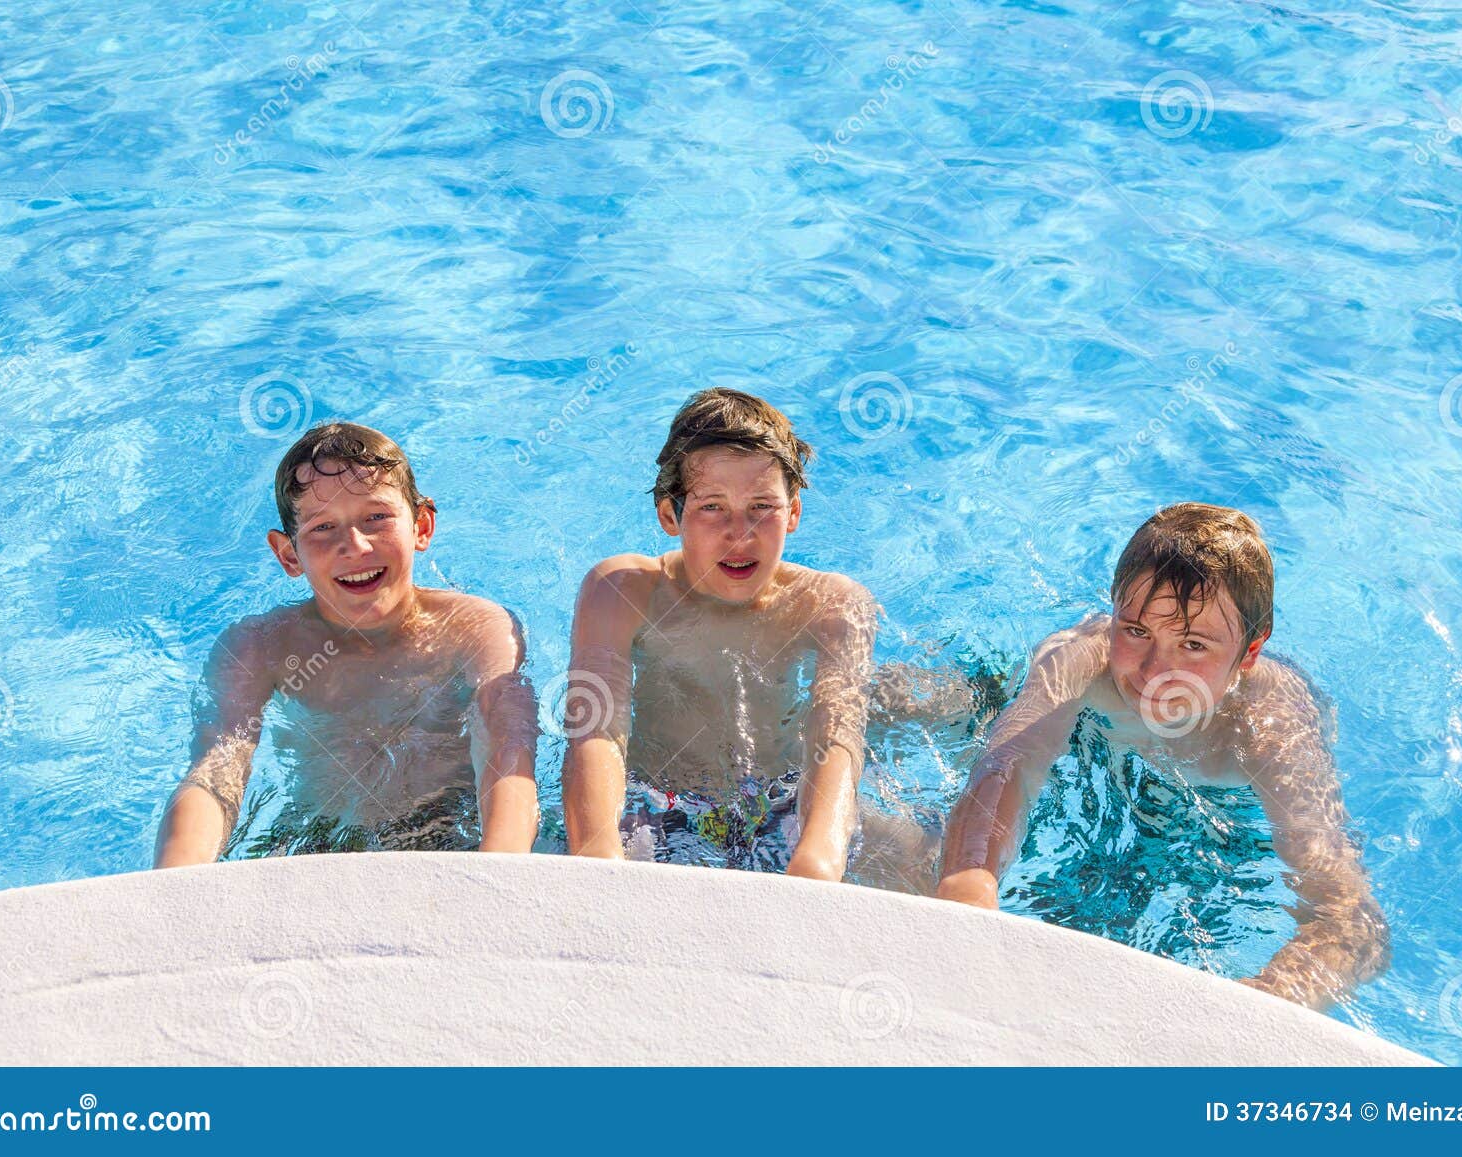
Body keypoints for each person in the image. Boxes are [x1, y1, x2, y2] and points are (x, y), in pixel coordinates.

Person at [937, 503, 1390, 1009]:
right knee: (946, 711)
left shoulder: (1269, 726)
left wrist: (1268, 1000)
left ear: (1251, 651)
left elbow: (1350, 916)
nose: (1157, 669)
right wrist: (971, 878)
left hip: (1222, 823)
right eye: (1136, 631)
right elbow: (1009, 766)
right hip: (1086, 743)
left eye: (1193, 644)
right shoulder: (1083, 658)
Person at [558, 388, 932, 887]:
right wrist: (598, 847)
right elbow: (596, 732)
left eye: (762, 506)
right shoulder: (624, 591)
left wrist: (818, 855)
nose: (741, 533)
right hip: (656, 808)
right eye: (713, 507)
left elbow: (836, 733)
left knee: (923, 858)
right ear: (669, 515)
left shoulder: (830, 603)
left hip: (781, 802)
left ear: (794, 512)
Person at [153, 422, 539, 867]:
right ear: (289, 555)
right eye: (323, 528)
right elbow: (218, 765)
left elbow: (508, 743)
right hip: (317, 838)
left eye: (376, 517)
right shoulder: (260, 646)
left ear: (422, 526)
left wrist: (500, 866)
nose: (354, 546)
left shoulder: (474, 628)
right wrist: (176, 880)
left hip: (455, 828)